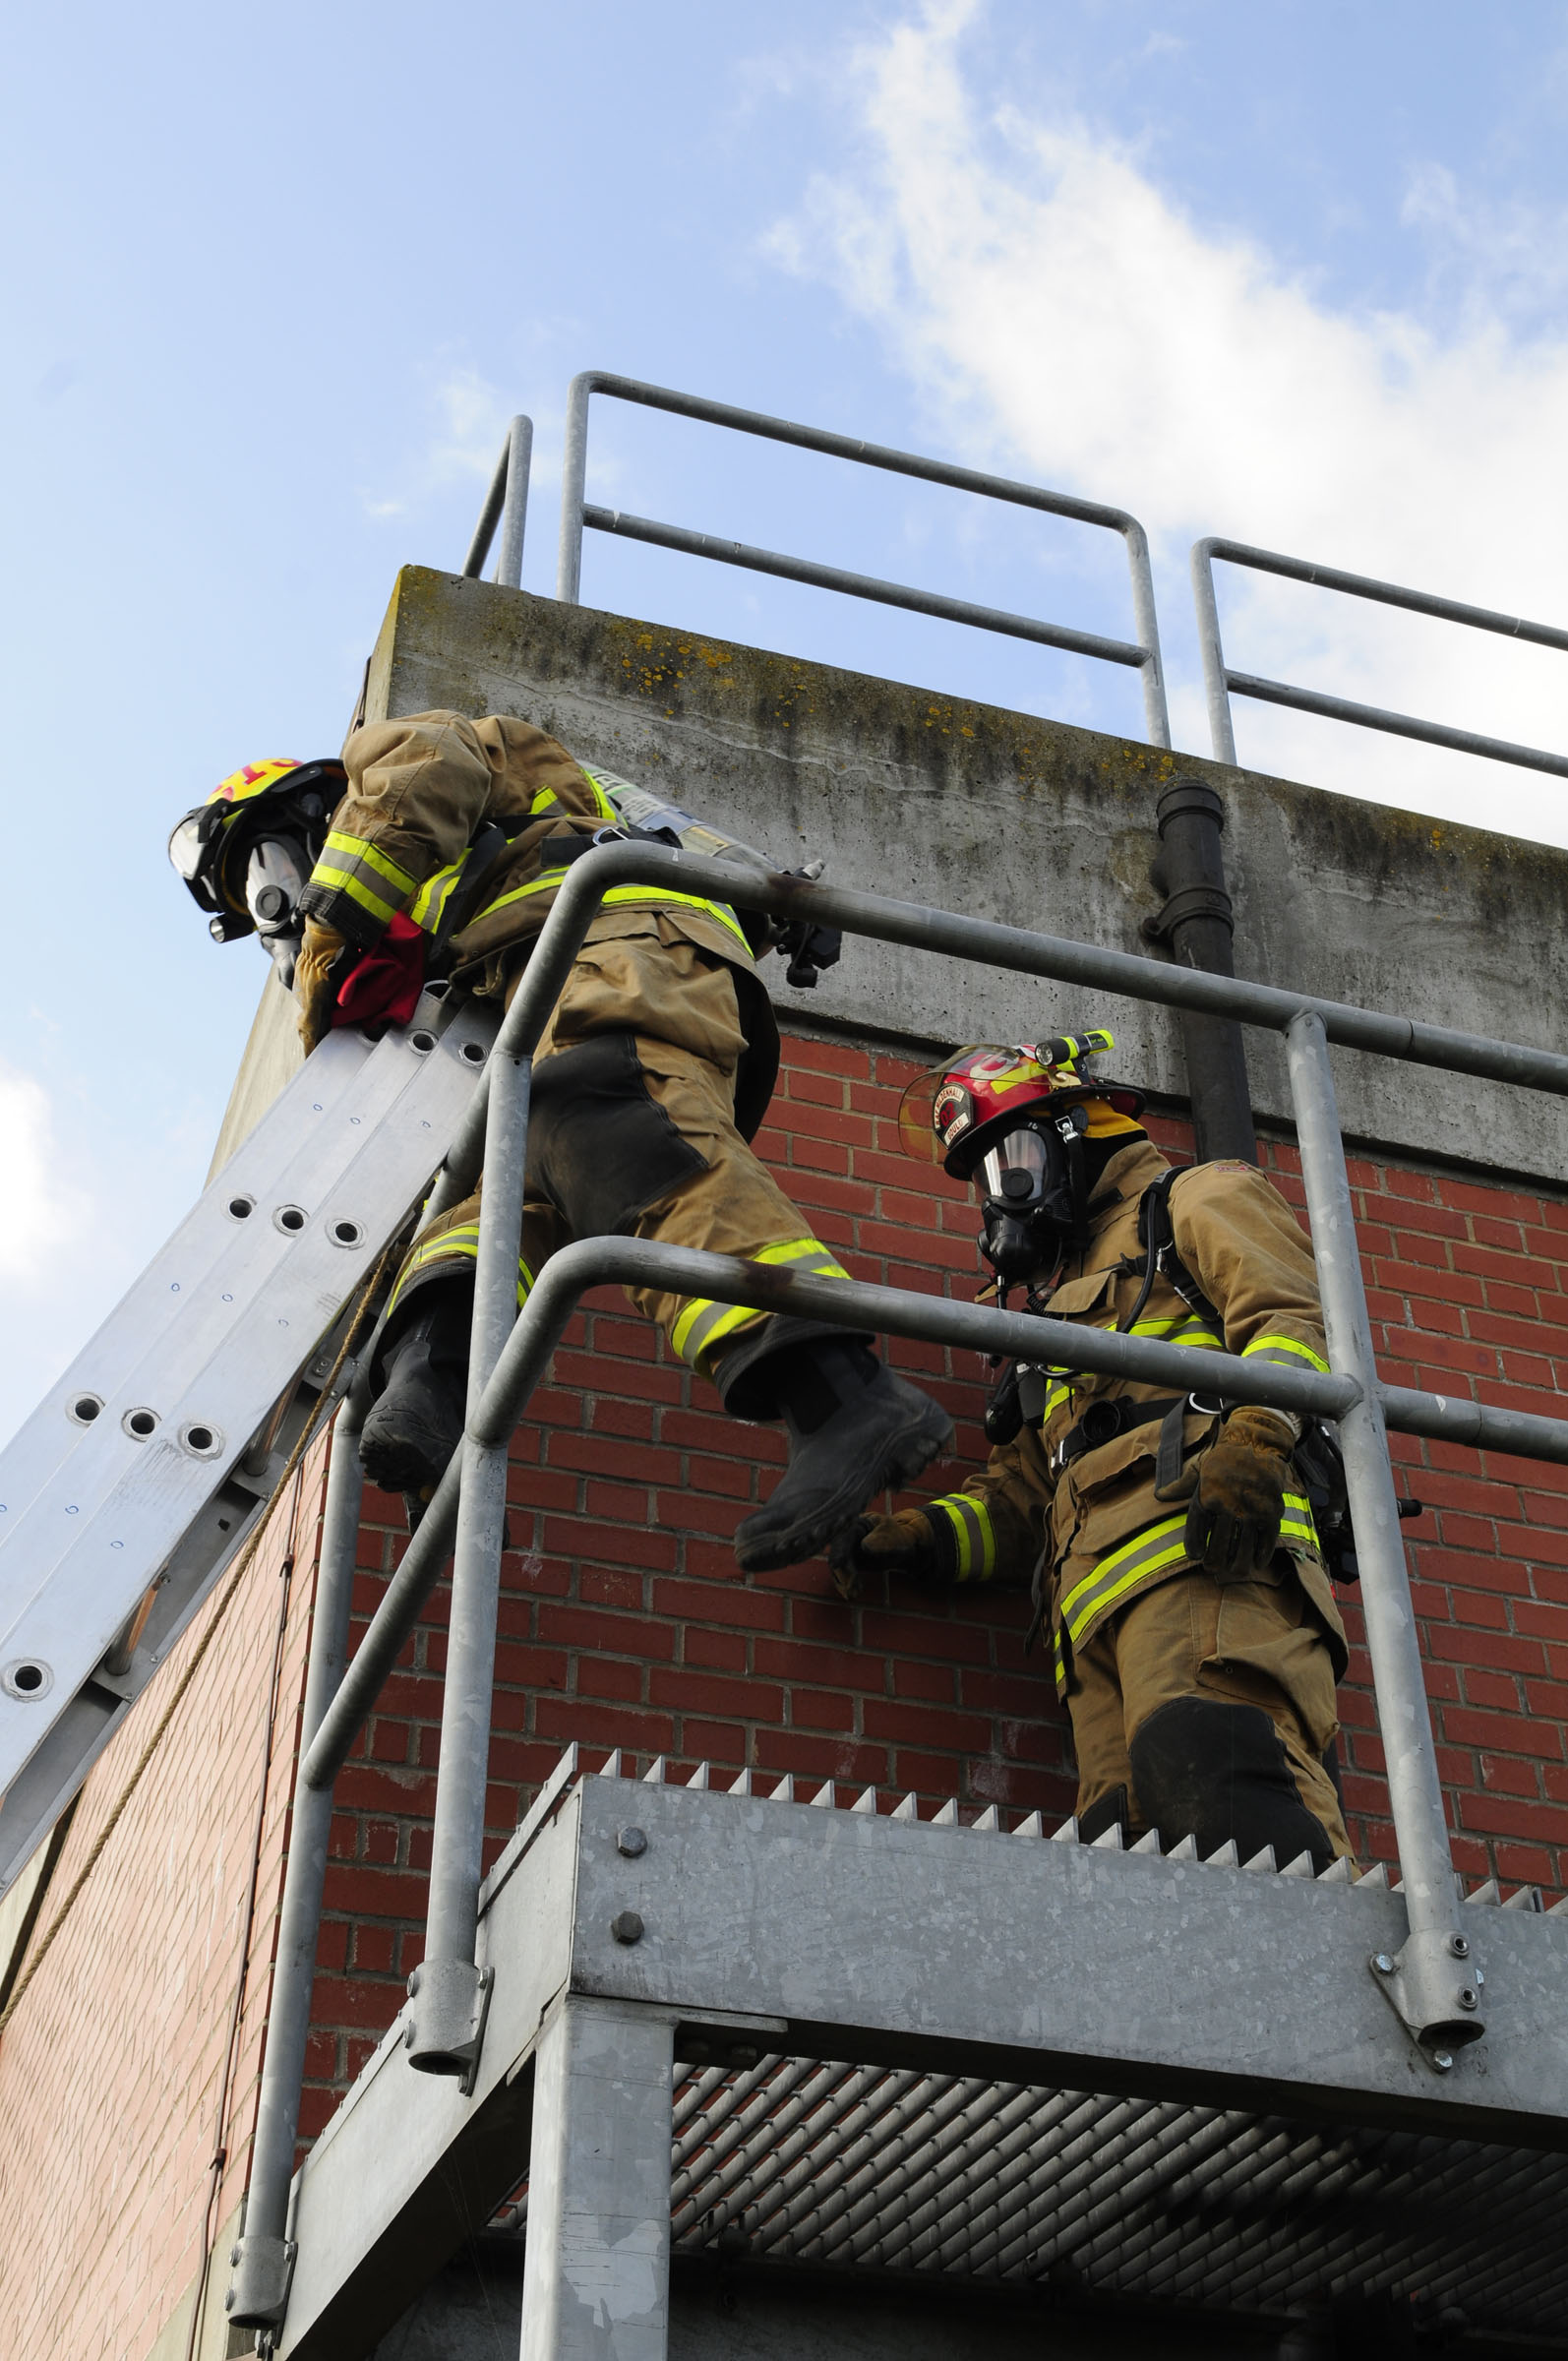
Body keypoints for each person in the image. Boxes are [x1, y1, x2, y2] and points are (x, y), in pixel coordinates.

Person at [221, 709, 952, 1570]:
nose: (276, 900)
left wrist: (329, 935)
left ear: (309, 815)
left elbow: (424, 766)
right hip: (538, 994)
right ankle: (430, 1393)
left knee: (598, 1121)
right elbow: (688, 837)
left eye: (268, 868)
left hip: (613, 939)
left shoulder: (396, 760)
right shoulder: (451, 872)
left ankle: (843, 1394)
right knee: (487, 1206)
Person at [830, 1032, 1353, 1868]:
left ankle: (1335, 1953)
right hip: (1091, 1634)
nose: (1002, 1198)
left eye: (1012, 1163)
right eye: (986, 1181)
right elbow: (1025, 1496)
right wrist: (923, 1538)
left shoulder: (1195, 1199)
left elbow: (1293, 1321)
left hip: (1207, 1559)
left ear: (1075, 1133)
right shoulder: (1050, 1316)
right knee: (1126, 1852)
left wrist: (1257, 1439)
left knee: (1220, 1779)